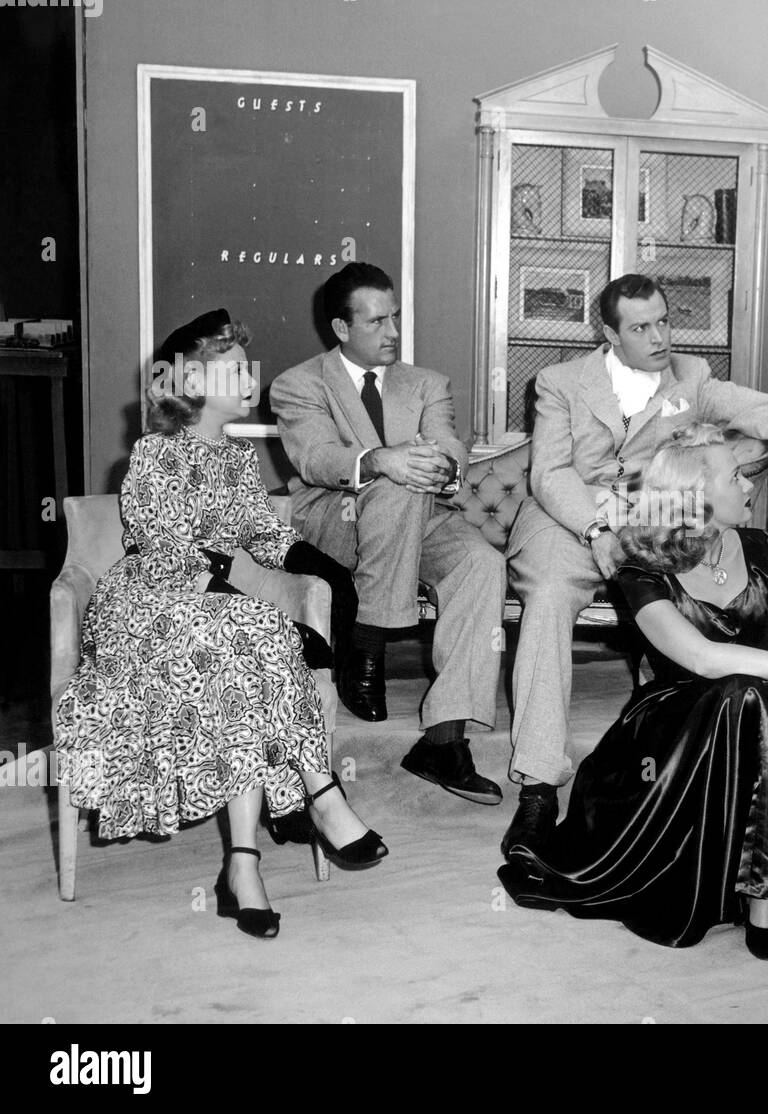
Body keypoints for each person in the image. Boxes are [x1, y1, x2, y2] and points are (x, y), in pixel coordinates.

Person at [54, 309, 388, 940]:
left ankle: (243, 864)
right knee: (257, 629)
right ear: (188, 382)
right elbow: (169, 550)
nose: (247, 376)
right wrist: (258, 588)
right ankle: (320, 794)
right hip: (149, 608)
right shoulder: (157, 452)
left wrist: (329, 576)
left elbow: (264, 534)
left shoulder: (235, 458)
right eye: (232, 367)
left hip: (217, 608)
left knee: (253, 640)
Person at [498, 423, 768, 959]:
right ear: (694, 494)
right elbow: (699, 658)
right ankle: (759, 894)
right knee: (751, 692)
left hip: (758, 709)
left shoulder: (760, 547)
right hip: (675, 728)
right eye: (735, 476)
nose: (750, 486)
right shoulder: (639, 567)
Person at [502, 273, 768, 857]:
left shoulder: (692, 378)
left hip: (654, 517)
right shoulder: (560, 381)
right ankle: (540, 786)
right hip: (565, 516)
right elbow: (549, 473)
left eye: (665, 321)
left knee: (682, 602)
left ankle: (672, 758)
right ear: (610, 333)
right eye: (641, 327)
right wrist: (595, 528)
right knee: (547, 596)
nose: (659, 337)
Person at [271, 263, 507, 806]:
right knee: (394, 483)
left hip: (422, 520)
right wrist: (383, 459)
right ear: (340, 329)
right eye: (377, 322)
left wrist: (442, 465)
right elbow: (317, 457)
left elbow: (450, 445)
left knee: (482, 564)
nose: (394, 332)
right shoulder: (298, 383)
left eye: (395, 317)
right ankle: (371, 638)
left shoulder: (426, 383)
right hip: (337, 522)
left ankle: (445, 740)